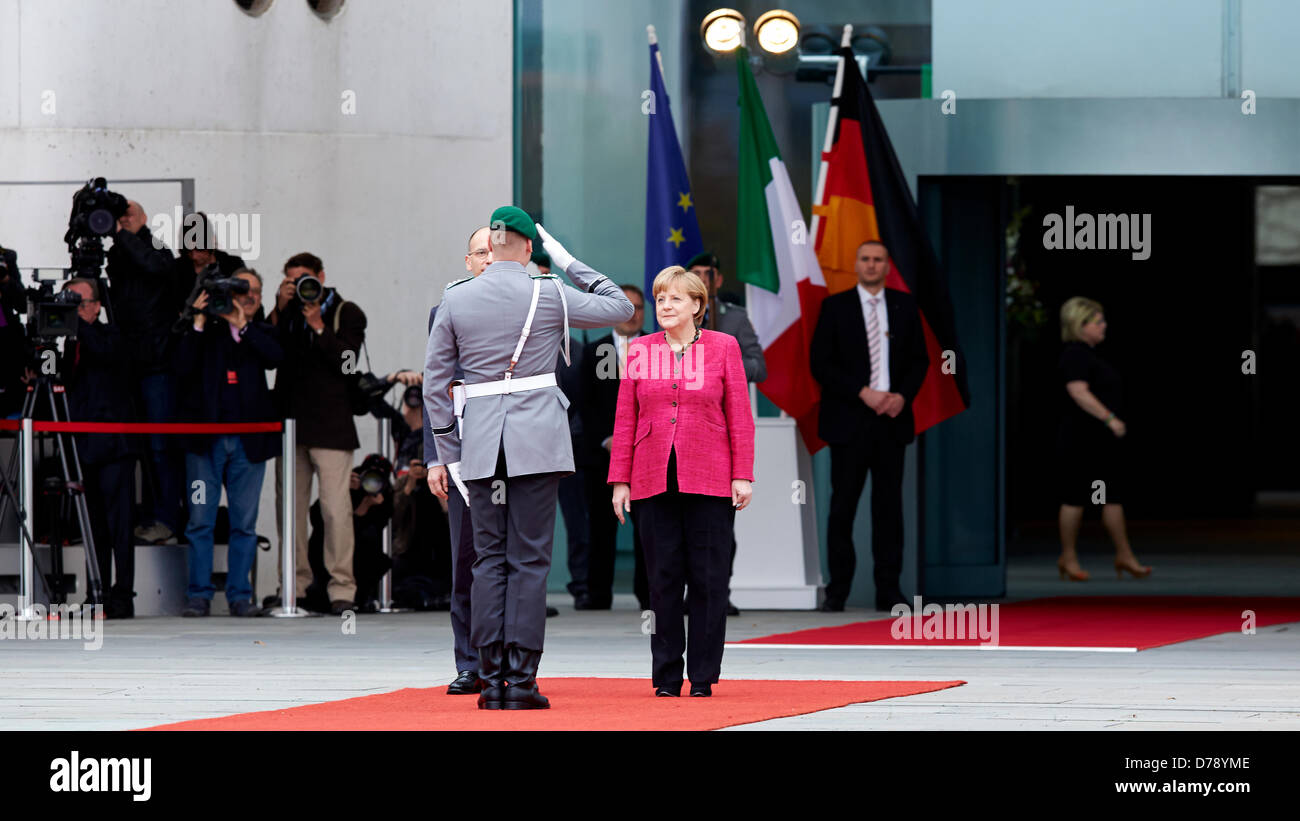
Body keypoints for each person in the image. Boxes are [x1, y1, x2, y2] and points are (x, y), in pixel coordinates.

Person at [424, 208, 633, 710]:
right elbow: (620, 306)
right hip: (536, 442)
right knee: (530, 560)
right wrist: (565, 258)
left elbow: (435, 386)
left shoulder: (456, 298)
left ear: (492, 247)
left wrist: (449, 451)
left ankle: (489, 678)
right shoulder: (551, 292)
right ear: (526, 248)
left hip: (478, 445)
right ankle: (521, 681)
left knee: (488, 560)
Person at [608, 266, 755, 697]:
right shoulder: (640, 350)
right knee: (663, 579)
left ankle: (704, 676)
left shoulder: (724, 347)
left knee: (709, 579)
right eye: (660, 299)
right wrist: (620, 481)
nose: (665, 306)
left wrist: (742, 474)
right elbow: (625, 418)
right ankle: (667, 677)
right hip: (653, 478)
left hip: (709, 476)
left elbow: (739, 416)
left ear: (697, 304)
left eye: (674, 299)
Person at [809, 240, 929, 613]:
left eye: (878, 260)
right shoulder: (835, 306)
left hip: (892, 421)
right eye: (866, 259)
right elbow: (820, 364)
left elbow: (920, 361)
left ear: (887, 266)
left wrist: (901, 396)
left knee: (888, 509)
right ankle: (838, 591)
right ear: (857, 264)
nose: (872, 265)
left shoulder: (905, 306)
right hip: (849, 421)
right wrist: (863, 392)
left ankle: (888, 591)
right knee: (842, 507)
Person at [172, 268, 282, 617]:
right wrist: (200, 320)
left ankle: (239, 596)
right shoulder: (206, 332)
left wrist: (242, 325)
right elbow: (181, 368)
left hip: (250, 445)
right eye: (241, 290)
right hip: (206, 443)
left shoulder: (259, 330)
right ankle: (199, 595)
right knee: (200, 520)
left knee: (244, 524)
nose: (248, 296)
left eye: (254, 292)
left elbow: (275, 358)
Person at [269, 252, 367, 615]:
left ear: (321, 276)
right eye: (293, 281)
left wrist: (319, 327)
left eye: (306, 279)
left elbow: (347, 363)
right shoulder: (287, 311)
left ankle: (342, 588)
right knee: (289, 511)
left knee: (334, 510)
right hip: (291, 424)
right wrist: (279, 308)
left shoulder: (347, 312)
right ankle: (293, 586)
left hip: (331, 427)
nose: (301, 288)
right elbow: (268, 355)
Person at [422, 225, 492, 695]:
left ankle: (508, 659)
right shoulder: (443, 311)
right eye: (479, 252)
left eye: (495, 251)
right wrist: (435, 458)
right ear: (467, 261)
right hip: (463, 458)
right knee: (466, 561)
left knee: (511, 563)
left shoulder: (534, 305)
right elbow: (436, 389)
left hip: (516, 455)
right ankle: (469, 663)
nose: (488, 259)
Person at [686, 251, 766, 616]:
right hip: (682, 432)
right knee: (681, 524)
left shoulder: (734, 318)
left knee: (717, 526)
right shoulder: (673, 322)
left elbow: (759, 366)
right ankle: (686, 593)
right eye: (695, 274)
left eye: (708, 274)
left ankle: (719, 591)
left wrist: (723, 363)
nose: (703, 279)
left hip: (718, 430)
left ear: (717, 281)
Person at [60, 278, 140, 618]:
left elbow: (105, 354)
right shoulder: (68, 341)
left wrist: (74, 321)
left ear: (97, 305)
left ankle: (122, 597)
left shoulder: (112, 334)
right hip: (84, 443)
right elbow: (59, 376)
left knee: (119, 525)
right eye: (69, 304)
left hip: (114, 445)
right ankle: (98, 592)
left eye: (80, 303)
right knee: (93, 525)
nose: (74, 311)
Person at [1055, 297, 1151, 581]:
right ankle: (1068, 556)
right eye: (1098, 322)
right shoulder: (1075, 355)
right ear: (1080, 325)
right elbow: (1078, 391)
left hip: (1100, 442)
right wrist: (1109, 418)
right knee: (1074, 497)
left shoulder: (1091, 355)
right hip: (1080, 440)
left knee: (1112, 496)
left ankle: (1124, 554)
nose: (1103, 327)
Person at [105, 200, 182, 546]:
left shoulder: (155, 247)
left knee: (161, 446)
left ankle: (167, 517)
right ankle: (141, 514)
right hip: (126, 363)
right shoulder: (117, 252)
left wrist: (122, 234)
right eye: (118, 216)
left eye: (129, 214)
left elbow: (154, 267)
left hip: (157, 363)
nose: (123, 221)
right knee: (133, 448)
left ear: (145, 218)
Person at [580, 283, 649, 610]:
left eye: (638, 307)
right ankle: (597, 594)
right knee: (600, 526)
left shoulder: (660, 348)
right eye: (626, 307)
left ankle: (649, 596)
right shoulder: (594, 351)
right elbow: (585, 403)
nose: (634, 314)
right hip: (602, 455)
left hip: (649, 456)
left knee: (648, 529)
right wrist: (607, 439)